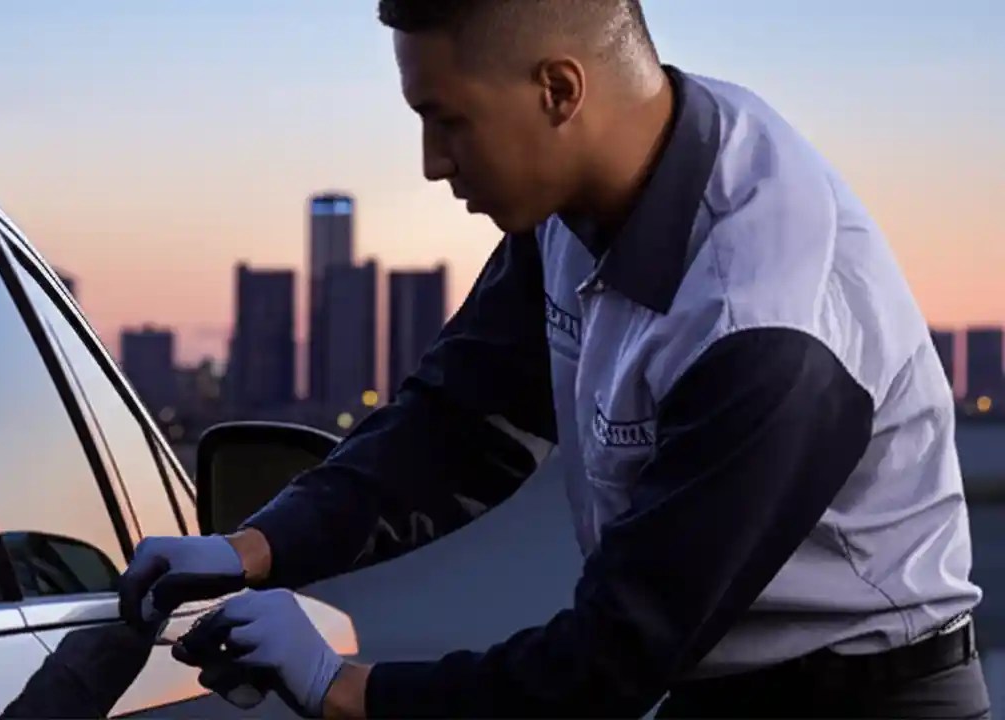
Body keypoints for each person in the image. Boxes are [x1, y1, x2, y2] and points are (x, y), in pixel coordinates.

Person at [118, 1, 991, 717]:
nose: (429, 164)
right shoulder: (581, 197)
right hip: (708, 678)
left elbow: (615, 655)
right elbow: (460, 420)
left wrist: (342, 689)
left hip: (868, 700)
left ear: (559, 90)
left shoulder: (765, 321)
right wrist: (254, 547)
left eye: (447, 120)